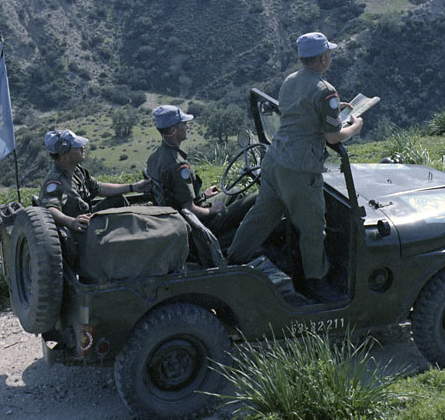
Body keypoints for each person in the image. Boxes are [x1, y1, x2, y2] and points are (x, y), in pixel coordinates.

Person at [227, 32, 363, 302]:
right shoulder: (326, 91)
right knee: (313, 229)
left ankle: (232, 259)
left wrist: (336, 112)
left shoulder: (291, 80)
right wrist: (354, 126)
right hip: (301, 169)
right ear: (324, 58)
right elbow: (333, 137)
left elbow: (301, 112)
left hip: (276, 160)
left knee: (262, 214)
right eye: (329, 54)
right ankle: (316, 281)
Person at [145, 105, 252, 241]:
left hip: (175, 217)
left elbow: (174, 194)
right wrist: (213, 210)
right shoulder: (179, 166)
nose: (187, 127)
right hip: (198, 225)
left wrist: (203, 196)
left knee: (236, 190)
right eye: (184, 124)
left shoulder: (155, 156)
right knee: (254, 198)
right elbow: (189, 210)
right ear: (172, 130)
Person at [37, 129, 151, 241]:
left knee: (118, 200)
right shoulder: (55, 181)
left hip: (88, 218)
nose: (83, 147)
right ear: (64, 156)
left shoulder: (76, 171)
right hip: (80, 229)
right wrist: (71, 222)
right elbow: (49, 208)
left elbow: (99, 188)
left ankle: (136, 233)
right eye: (77, 147)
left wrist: (133, 187)